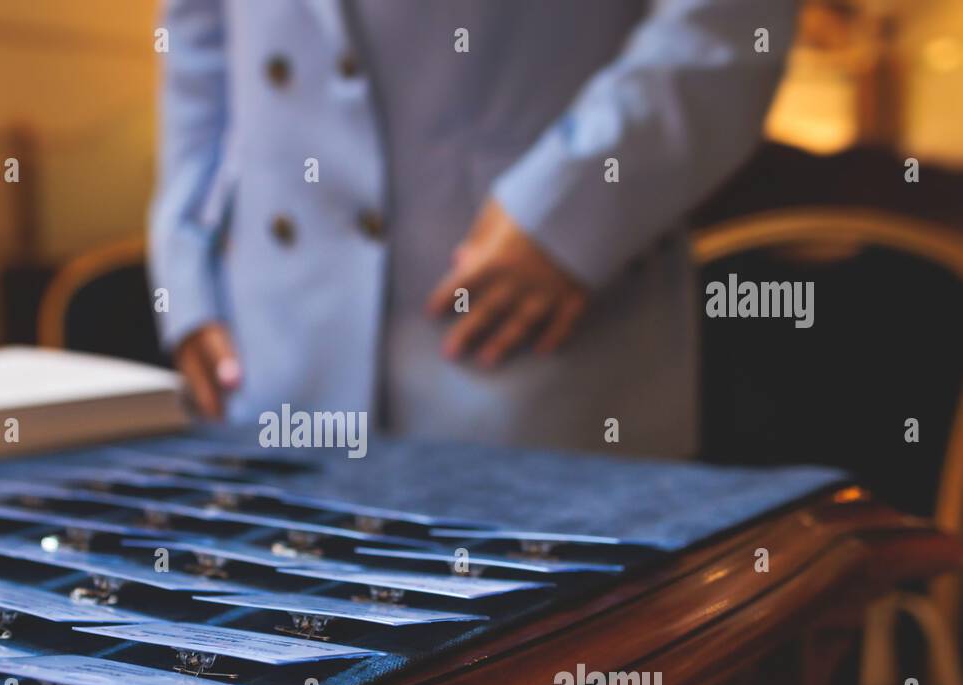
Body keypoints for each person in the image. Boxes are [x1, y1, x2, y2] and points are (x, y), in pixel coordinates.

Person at [150, 0, 796, 456]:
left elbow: (726, 21)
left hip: (527, 344)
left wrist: (571, 205)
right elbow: (196, 43)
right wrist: (187, 271)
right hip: (269, 351)